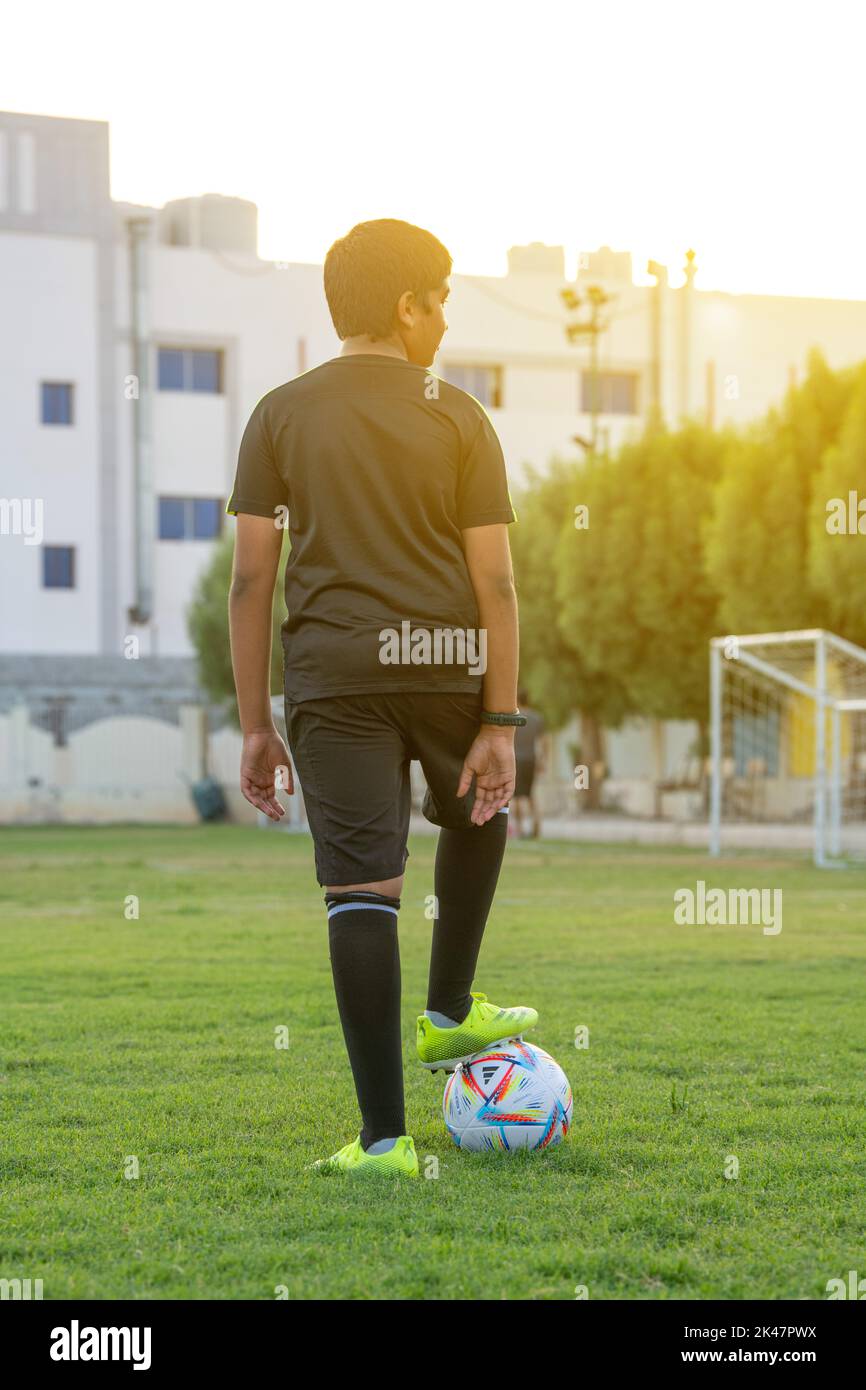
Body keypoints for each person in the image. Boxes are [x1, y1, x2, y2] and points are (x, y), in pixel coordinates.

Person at [226, 219, 538, 1178]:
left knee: (362, 891)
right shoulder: (461, 413)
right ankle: (449, 1011)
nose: (444, 320)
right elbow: (497, 585)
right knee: (479, 807)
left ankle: (386, 1144)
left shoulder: (280, 413)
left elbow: (250, 581)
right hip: (447, 665)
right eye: (440, 299)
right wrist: (498, 720)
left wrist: (253, 724)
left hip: (334, 681)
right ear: (408, 305)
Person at [512, 688, 547, 838]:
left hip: (516, 759)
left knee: (516, 796)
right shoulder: (537, 718)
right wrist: (542, 760)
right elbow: (545, 742)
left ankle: (519, 829)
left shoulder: (514, 717)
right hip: (531, 759)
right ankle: (536, 825)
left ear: (518, 700)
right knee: (531, 793)